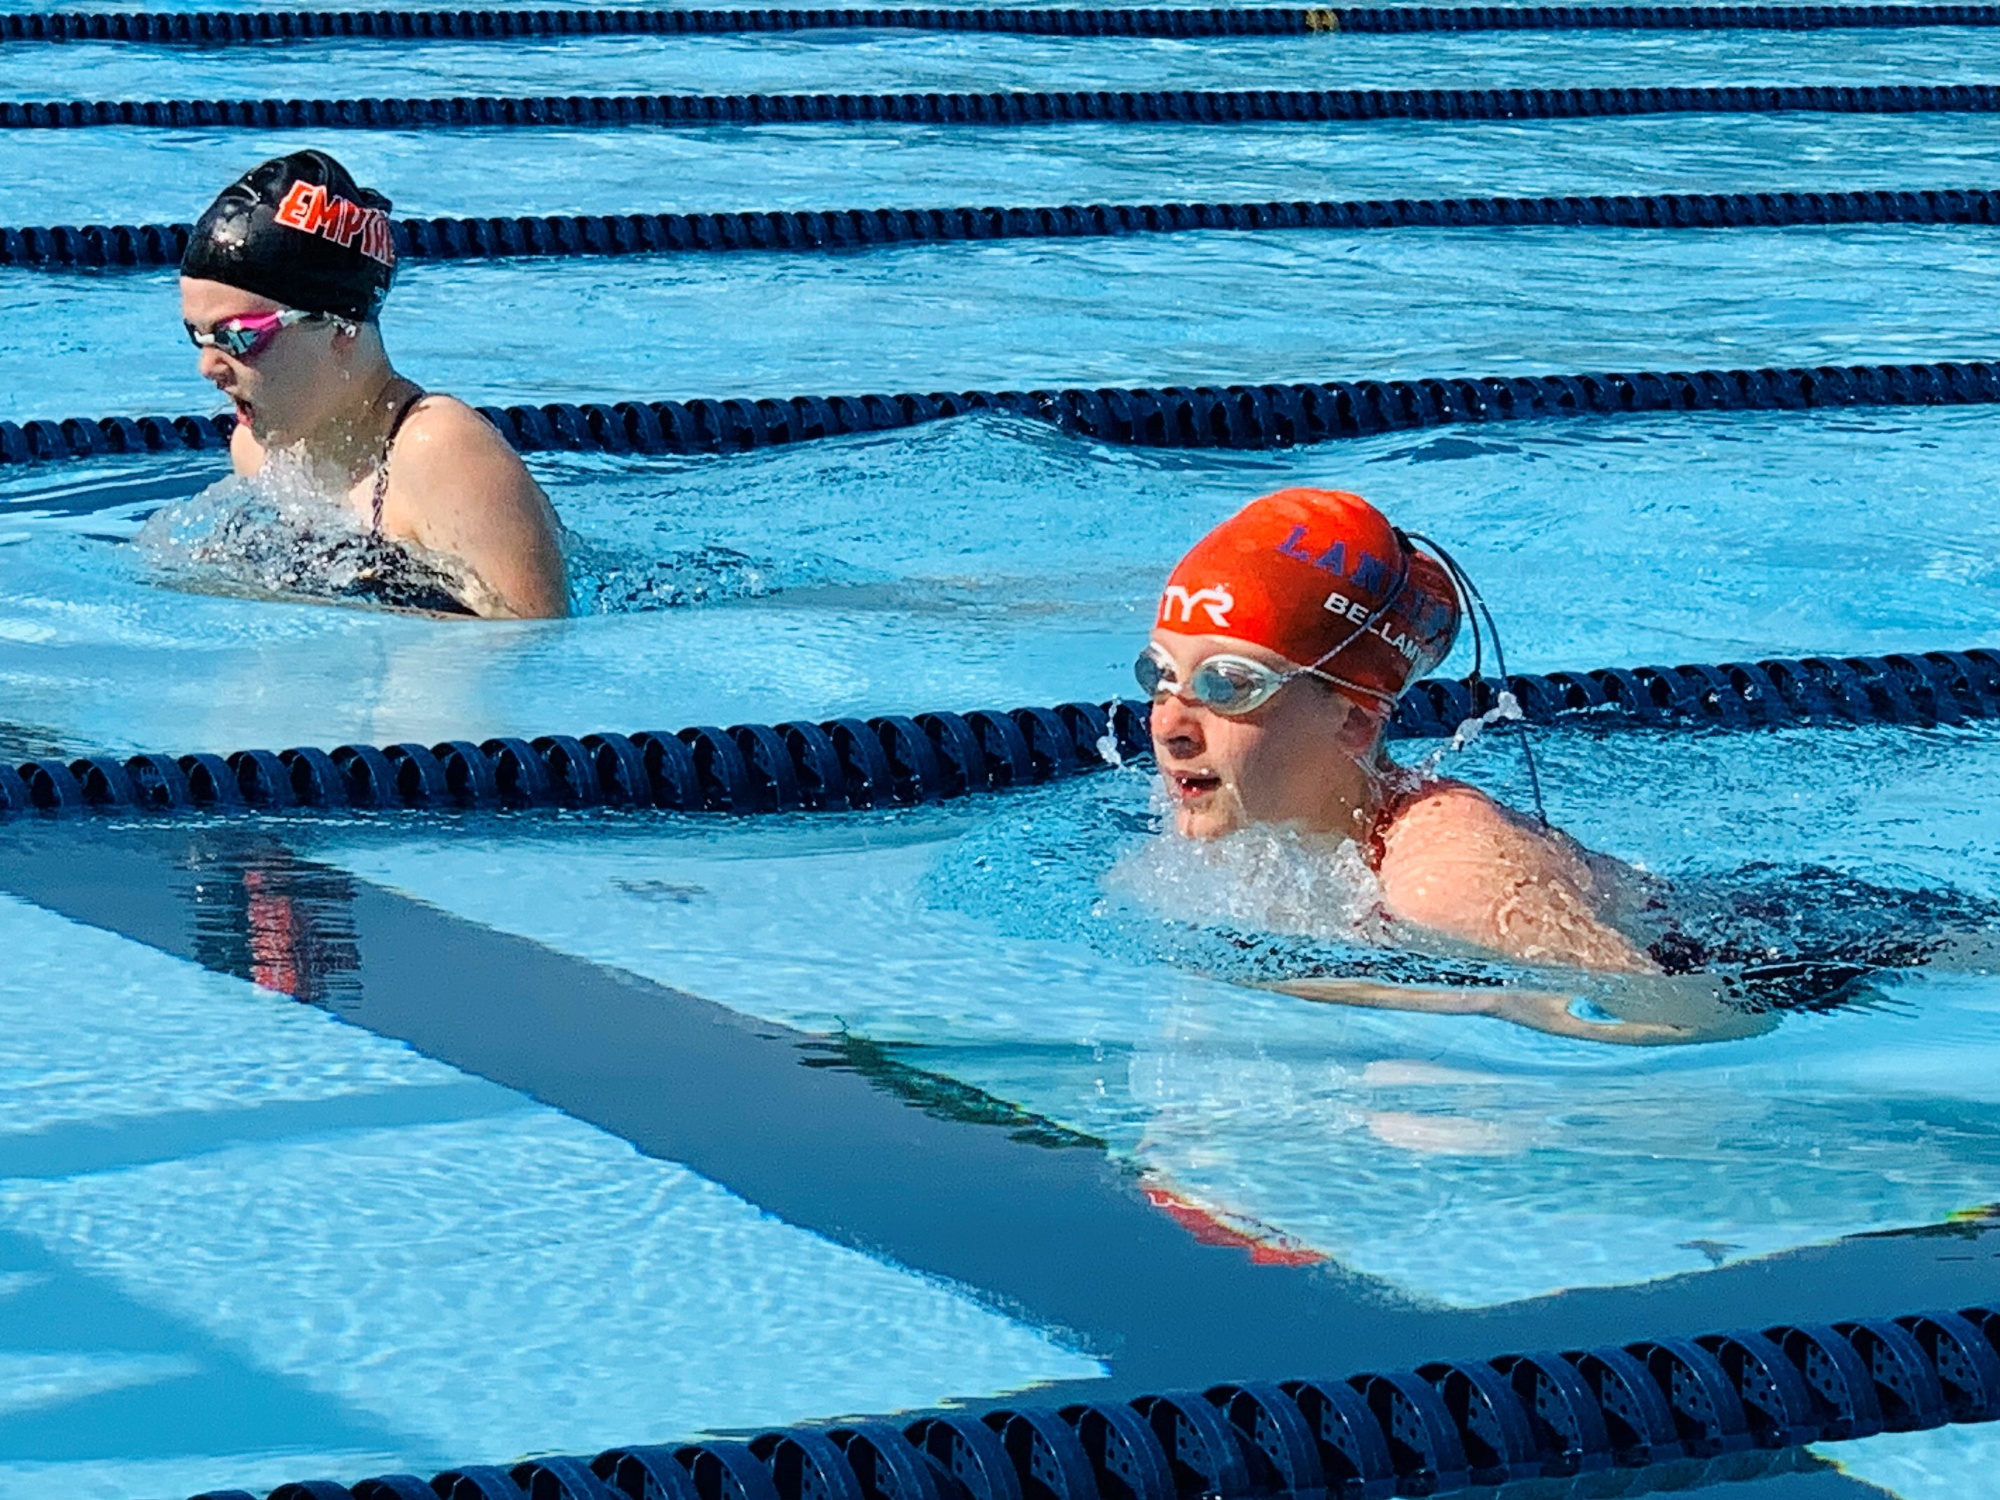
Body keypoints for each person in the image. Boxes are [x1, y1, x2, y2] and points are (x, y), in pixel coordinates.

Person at [1138, 486, 1746, 1043]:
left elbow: (1691, 1019)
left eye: (1228, 686)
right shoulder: (1232, 837)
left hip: (1766, 962)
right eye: (1161, 675)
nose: (1169, 726)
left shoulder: (1452, 880)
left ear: (1356, 720)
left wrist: (1460, 1000)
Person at [178, 150, 568, 619]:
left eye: (237, 335)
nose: (207, 365)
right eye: (196, 336)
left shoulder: (439, 450)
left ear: (340, 326)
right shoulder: (255, 450)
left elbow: (540, 657)